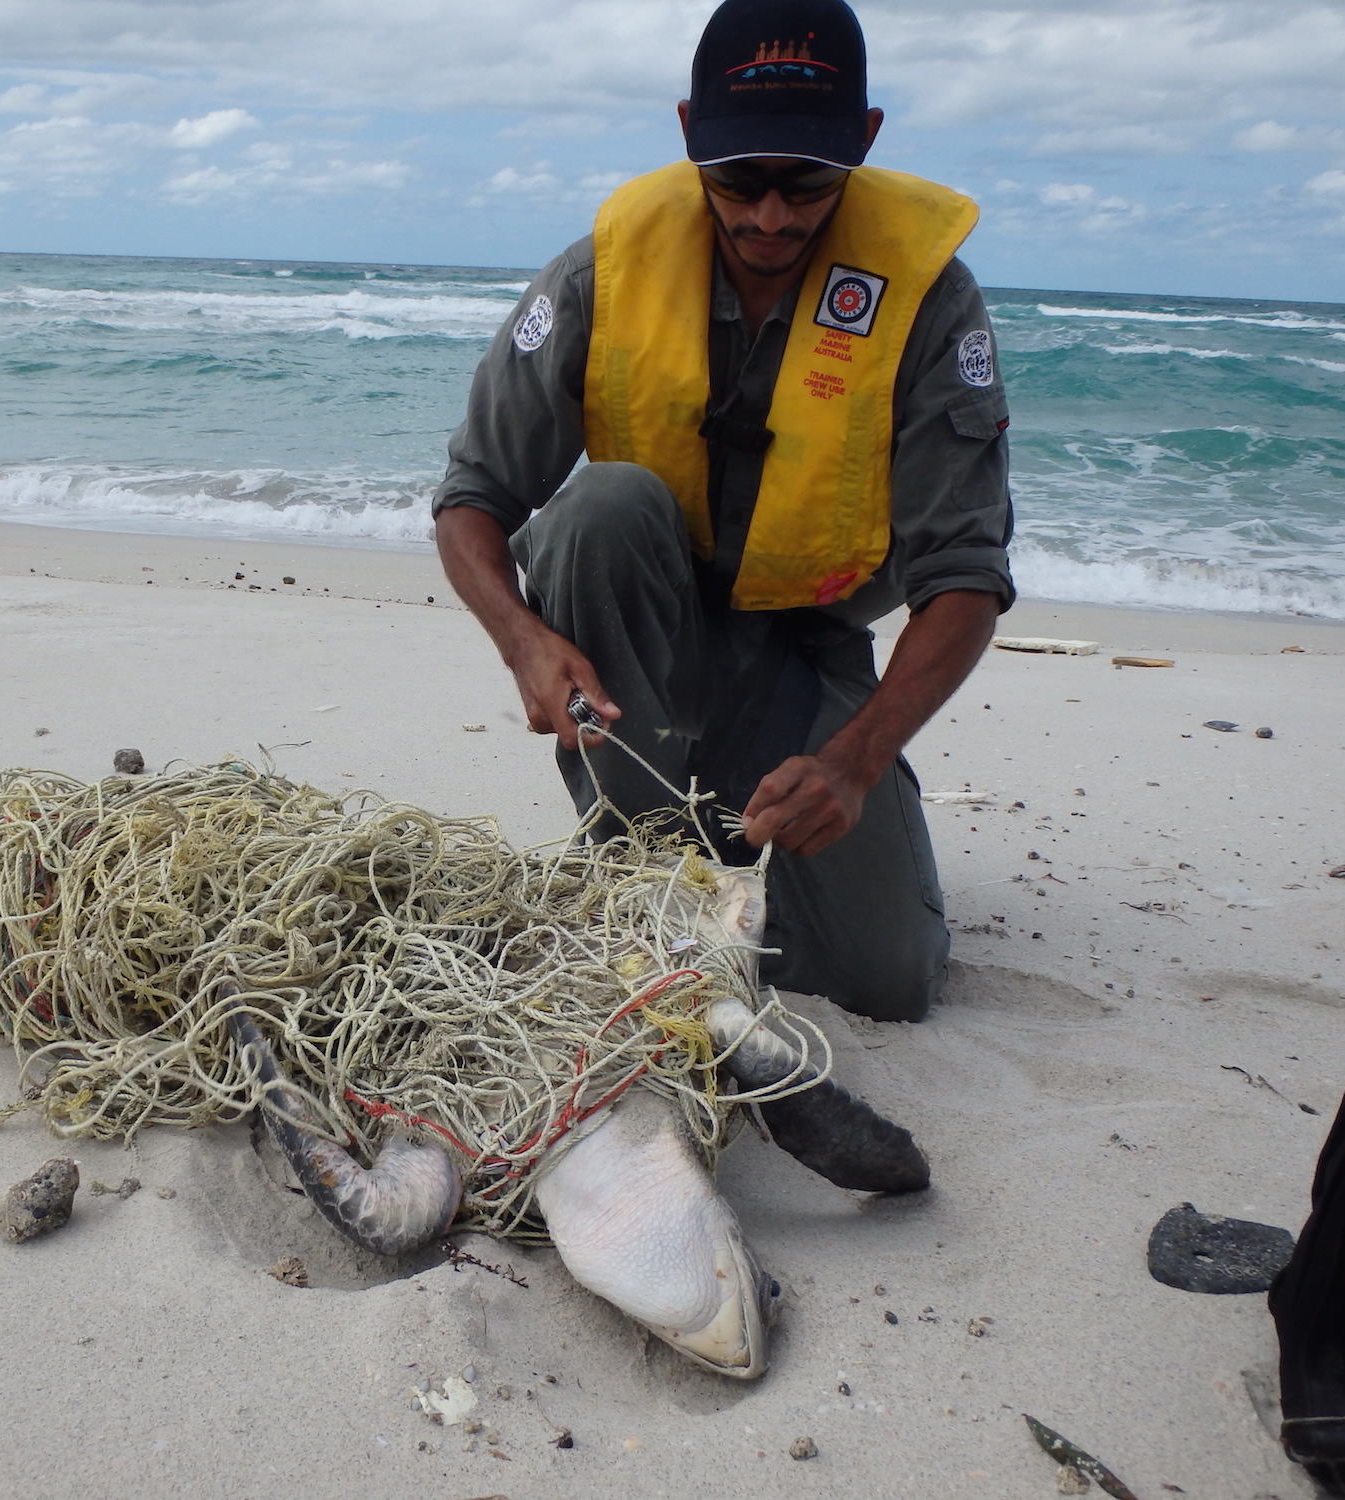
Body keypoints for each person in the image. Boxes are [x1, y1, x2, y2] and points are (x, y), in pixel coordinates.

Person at [434, 0, 1015, 1023]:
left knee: (885, 977)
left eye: (806, 186)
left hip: (801, 657)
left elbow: (964, 575)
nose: (771, 218)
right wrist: (520, 640)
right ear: (687, 135)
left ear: (864, 143)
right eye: (738, 183)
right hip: (634, 651)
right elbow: (472, 498)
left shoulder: (928, 300)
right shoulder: (594, 275)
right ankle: (636, 861)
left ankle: (737, 817)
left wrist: (854, 761)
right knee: (599, 507)